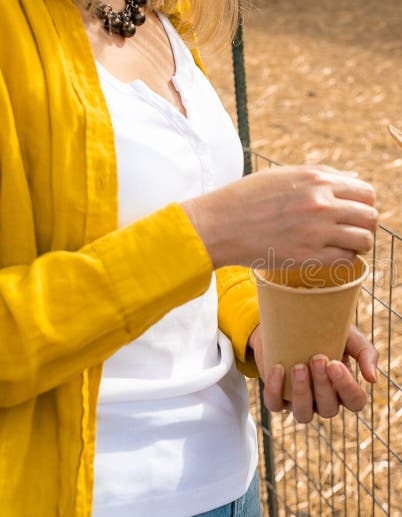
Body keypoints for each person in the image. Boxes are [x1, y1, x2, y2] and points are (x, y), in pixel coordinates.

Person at [0, 0, 379, 515]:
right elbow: (193, 236)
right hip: (92, 496)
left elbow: (188, 253)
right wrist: (210, 230)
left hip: (228, 483)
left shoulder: (164, 19)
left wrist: (261, 323)